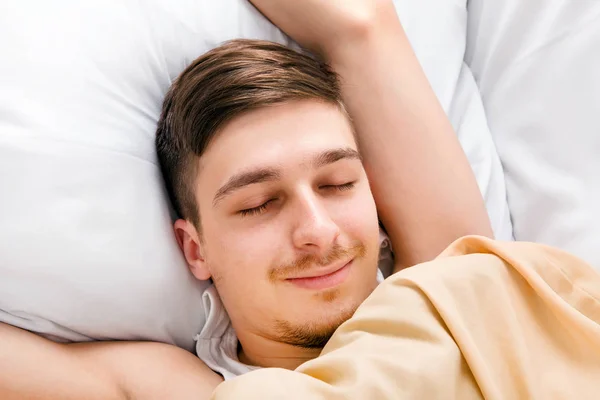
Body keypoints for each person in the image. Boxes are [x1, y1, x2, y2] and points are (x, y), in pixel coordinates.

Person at [0, 0, 496, 398]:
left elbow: (363, 27)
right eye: (258, 204)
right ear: (196, 250)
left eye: (338, 184)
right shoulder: (182, 390)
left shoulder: (453, 298)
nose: (318, 230)